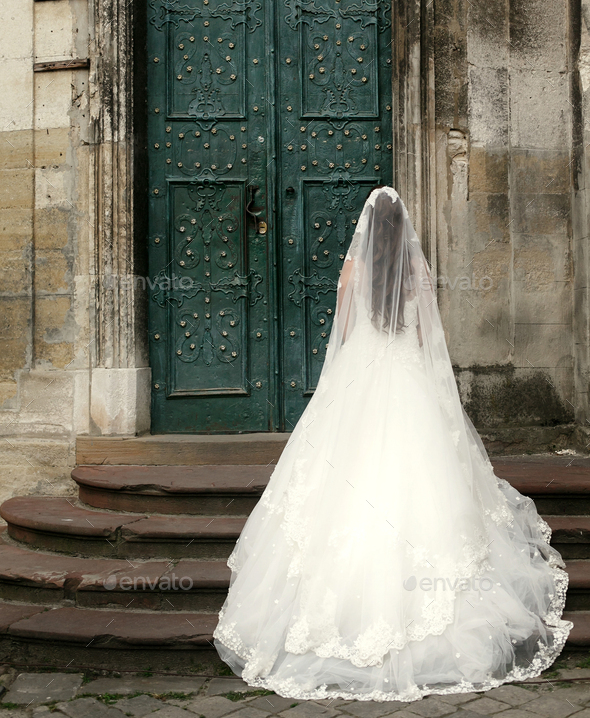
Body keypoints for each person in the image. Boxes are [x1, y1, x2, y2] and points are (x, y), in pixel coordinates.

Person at [213, 185, 572, 703]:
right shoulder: (417, 274)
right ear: (403, 231)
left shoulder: (353, 272)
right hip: (406, 379)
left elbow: (340, 334)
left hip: (360, 375)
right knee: (420, 480)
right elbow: (428, 340)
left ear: (366, 229)